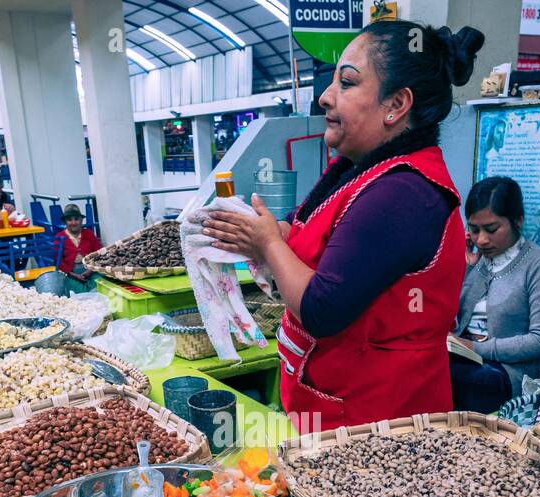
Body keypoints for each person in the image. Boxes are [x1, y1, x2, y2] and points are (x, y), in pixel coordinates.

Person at [203, 19, 484, 432]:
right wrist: (267, 237)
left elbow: (322, 308)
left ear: (396, 105)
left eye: (347, 83)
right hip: (338, 410)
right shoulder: (357, 171)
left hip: (381, 426)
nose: (325, 97)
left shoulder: (402, 193)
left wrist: (268, 244)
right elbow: (317, 250)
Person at [450, 176, 540, 414]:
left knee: (441, 373)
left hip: (510, 373)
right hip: (467, 358)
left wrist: (475, 347)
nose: (482, 239)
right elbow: (454, 320)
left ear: (518, 221)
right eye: (474, 229)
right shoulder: (478, 262)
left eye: (492, 229)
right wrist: (465, 267)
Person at [53, 202, 101, 293]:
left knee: (100, 283)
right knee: (76, 290)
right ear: (65, 222)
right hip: (70, 274)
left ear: (81, 220)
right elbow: (58, 261)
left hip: (91, 270)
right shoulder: (59, 238)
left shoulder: (89, 234)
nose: (74, 222)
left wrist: (90, 270)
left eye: (76, 219)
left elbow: (98, 253)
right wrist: (73, 275)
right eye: (69, 220)